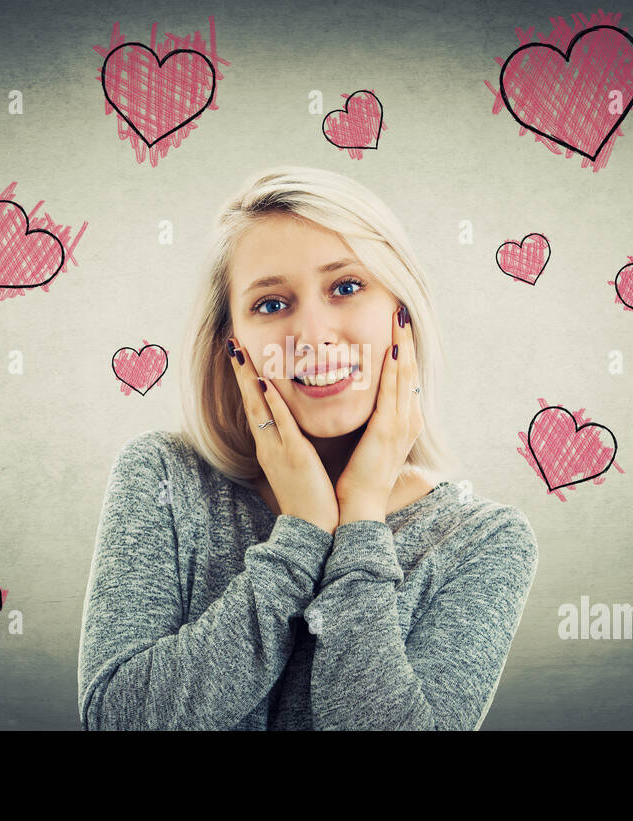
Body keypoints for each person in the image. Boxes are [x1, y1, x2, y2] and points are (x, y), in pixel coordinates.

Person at [77, 166, 538, 730]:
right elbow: (116, 722)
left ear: (403, 314)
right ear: (233, 345)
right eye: (271, 304)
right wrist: (301, 538)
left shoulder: (483, 540)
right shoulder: (163, 477)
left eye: (346, 288)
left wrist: (360, 517)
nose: (314, 335)